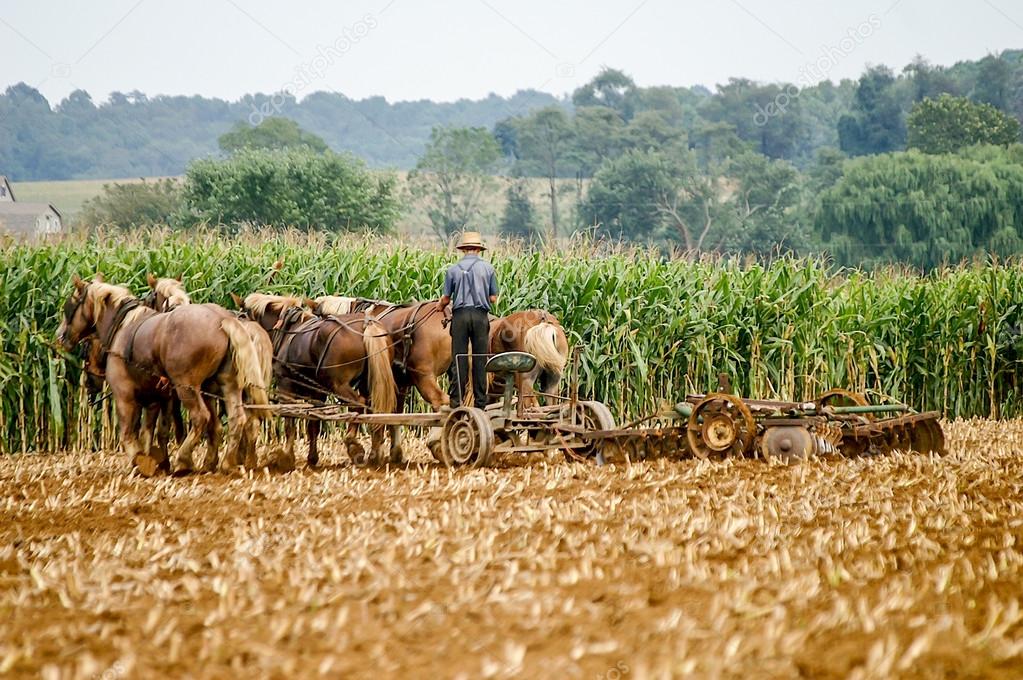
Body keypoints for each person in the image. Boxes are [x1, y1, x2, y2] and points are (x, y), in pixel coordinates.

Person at [437, 231, 499, 409]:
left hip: (461, 316)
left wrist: (439, 306)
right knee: (480, 359)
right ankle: (480, 403)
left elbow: (446, 298)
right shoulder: (488, 269)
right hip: (480, 316)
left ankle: (456, 401)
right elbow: (493, 298)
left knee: (459, 358)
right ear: (479, 250)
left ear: (463, 250)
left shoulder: (453, 270)